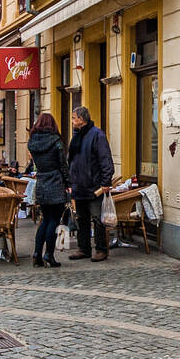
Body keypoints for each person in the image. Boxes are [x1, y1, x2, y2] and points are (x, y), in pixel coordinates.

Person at [68, 105, 114, 262]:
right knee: (81, 218)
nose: (72, 121)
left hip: (94, 186)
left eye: (74, 118)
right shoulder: (77, 135)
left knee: (97, 218)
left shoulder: (97, 135)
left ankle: (101, 249)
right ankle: (84, 248)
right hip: (79, 185)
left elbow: (105, 160)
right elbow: (72, 160)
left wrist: (105, 182)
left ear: (81, 119)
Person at [27, 113, 70, 268]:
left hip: (41, 181)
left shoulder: (32, 142)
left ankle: (37, 254)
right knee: (53, 220)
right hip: (56, 182)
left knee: (45, 219)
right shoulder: (56, 141)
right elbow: (63, 165)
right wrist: (68, 182)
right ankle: (49, 254)